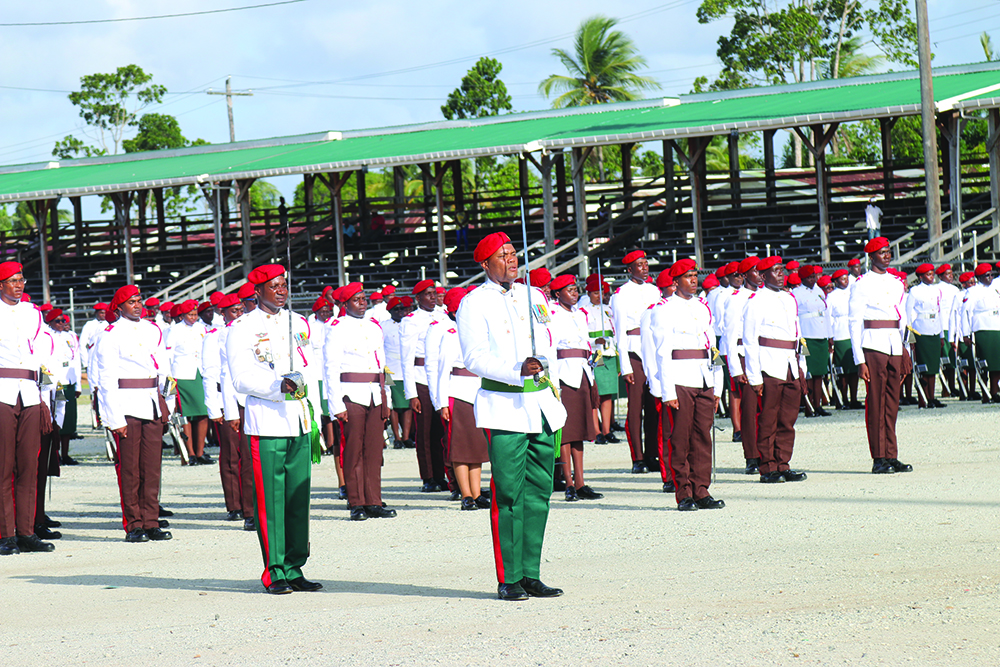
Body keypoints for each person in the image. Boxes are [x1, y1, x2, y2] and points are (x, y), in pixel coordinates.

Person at [457, 231, 567, 601]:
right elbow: (473, 358)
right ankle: (510, 577)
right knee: (508, 494)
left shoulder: (534, 295)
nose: (512, 260)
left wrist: (543, 365)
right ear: (486, 264)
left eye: (514, 253)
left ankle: (532, 573)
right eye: (503, 256)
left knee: (539, 491)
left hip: (539, 405)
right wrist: (516, 368)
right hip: (505, 407)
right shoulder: (474, 303)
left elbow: (550, 340)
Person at [227, 263, 322, 594]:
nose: (282, 290)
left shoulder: (299, 322)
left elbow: (312, 370)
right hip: (267, 418)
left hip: (299, 418)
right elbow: (240, 377)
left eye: (284, 284)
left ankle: (295, 565)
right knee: (271, 498)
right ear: (258, 291)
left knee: (298, 496)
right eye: (274, 286)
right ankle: (275, 569)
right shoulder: (243, 327)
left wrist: (317, 417)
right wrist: (275, 386)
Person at [96, 284, 173, 543]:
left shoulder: (154, 330)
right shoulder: (110, 334)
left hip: (152, 401)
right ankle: (134, 524)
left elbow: (164, 369)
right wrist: (114, 418)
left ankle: (151, 521)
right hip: (126, 404)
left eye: (139, 300)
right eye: (131, 302)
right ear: (119, 307)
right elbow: (106, 380)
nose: (138, 305)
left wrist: (167, 404)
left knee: (152, 467)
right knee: (130, 469)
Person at [651, 258, 725, 510]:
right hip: (680, 378)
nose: (693, 280)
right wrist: (667, 391)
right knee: (680, 439)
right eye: (687, 276)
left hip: (704, 376)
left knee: (702, 437)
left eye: (695, 275)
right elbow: (662, 352)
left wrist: (717, 384)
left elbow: (713, 347)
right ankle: (684, 493)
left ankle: (701, 489)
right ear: (675, 282)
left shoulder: (703, 306)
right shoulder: (663, 308)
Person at [323, 282, 396, 521]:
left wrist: (388, 396)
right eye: (357, 299)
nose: (363, 303)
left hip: (375, 392)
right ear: (344, 304)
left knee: (374, 449)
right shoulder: (336, 327)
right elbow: (330, 369)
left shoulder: (374, 326)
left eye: (364, 299)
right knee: (353, 449)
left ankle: (374, 499)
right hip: (351, 394)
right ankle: (356, 501)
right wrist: (336, 404)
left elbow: (383, 364)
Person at [0, 262, 56, 556]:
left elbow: (43, 357)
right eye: (12, 280)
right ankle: (5, 534)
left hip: (31, 393)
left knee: (29, 466)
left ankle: (26, 531)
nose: (19, 285)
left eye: (21, 279)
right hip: (3, 392)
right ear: (0, 285)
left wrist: (45, 395)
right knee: (3, 466)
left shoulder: (32, 313)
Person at [848, 237, 913, 474]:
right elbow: (854, 322)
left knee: (893, 402)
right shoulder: (861, 283)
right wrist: (860, 359)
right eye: (882, 253)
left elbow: (902, 317)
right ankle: (878, 457)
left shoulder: (897, 282)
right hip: (873, 344)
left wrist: (904, 346)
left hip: (894, 343)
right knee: (876, 402)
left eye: (888, 252)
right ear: (871, 256)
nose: (887, 256)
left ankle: (891, 454)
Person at [742, 256, 809, 484]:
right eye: (775, 270)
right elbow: (750, 340)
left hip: (790, 363)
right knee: (768, 419)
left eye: (781, 269)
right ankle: (767, 467)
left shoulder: (790, 298)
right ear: (762, 276)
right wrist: (754, 376)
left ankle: (783, 463)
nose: (781, 274)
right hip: (769, 364)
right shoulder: (756, 300)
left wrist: (801, 368)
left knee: (787, 419)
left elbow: (797, 336)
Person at [434, 287, 490, 511]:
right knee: (460, 447)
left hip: (478, 392)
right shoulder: (450, 334)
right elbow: (442, 371)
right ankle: (465, 493)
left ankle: (476, 492)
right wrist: (442, 403)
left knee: (476, 447)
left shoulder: (479, 332)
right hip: (457, 393)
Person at [548, 274, 602, 502]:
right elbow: (550, 348)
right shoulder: (552, 314)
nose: (575, 293)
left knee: (580, 431)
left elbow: (585, 343)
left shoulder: (581, 315)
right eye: (569, 290)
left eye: (575, 289)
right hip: (563, 373)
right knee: (566, 433)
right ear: (557, 293)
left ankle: (580, 482)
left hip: (582, 371)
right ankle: (568, 482)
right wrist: (553, 382)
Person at [610, 249, 661, 474]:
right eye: (639, 265)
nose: (645, 268)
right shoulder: (621, 294)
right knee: (635, 407)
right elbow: (620, 332)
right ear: (630, 269)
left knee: (653, 405)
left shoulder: (654, 290)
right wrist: (626, 366)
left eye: (645, 263)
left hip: (653, 351)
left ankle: (652, 454)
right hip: (634, 350)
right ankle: (637, 458)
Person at [401, 279, 448, 492]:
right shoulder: (411, 320)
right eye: (427, 294)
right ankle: (429, 477)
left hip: (441, 377)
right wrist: (412, 393)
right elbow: (407, 359)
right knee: (426, 432)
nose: (432, 297)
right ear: (417, 298)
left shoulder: (443, 316)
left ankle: (443, 475)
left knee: (441, 431)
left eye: (433, 293)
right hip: (421, 378)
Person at [725, 257, 763, 474]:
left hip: (766, 354)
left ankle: (768, 453)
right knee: (749, 409)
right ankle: (751, 456)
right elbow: (730, 337)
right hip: (744, 355)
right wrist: (736, 369)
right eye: (755, 272)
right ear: (745, 275)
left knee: (767, 408)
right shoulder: (736, 299)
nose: (759, 275)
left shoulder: (765, 296)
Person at [167, 299, 213, 465]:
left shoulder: (202, 328)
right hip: (182, 375)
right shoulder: (175, 330)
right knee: (185, 414)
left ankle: (200, 451)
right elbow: (169, 355)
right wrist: (170, 378)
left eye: (195, 314)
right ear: (182, 315)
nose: (193, 317)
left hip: (200, 372)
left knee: (203, 412)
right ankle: (189, 453)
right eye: (190, 314)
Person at [578, 274, 619, 445]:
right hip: (596, 353)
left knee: (608, 394)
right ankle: (596, 431)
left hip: (608, 352)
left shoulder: (608, 310)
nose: (599, 296)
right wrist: (595, 342)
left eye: (601, 292)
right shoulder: (583, 311)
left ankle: (607, 429)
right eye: (595, 293)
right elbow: (582, 334)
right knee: (595, 394)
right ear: (589, 294)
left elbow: (615, 330)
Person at [792, 265, 832, 417]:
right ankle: (808, 406)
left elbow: (825, 314)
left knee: (820, 373)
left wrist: (830, 336)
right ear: (802, 279)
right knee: (808, 373)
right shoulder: (797, 293)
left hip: (821, 334)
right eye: (809, 277)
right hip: (807, 335)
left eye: (814, 277)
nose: (812, 280)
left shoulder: (819, 291)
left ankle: (818, 404)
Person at [906, 263, 946, 408]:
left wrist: (941, 335)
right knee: (923, 366)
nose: (931, 277)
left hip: (934, 329)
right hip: (920, 330)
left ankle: (932, 396)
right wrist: (911, 337)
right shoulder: (915, 291)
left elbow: (940, 312)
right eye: (928, 274)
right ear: (921, 276)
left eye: (932, 274)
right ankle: (923, 398)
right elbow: (909, 315)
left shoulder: (936, 290)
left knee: (933, 367)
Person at [960, 263, 1000, 402]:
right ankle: (985, 394)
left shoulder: (995, 289)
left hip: (996, 327)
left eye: (991, 275)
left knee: (997, 364)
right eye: (986, 275)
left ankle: (994, 393)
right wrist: (965, 333)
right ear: (979, 277)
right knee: (984, 364)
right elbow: (965, 313)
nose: (990, 278)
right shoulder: (973, 292)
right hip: (983, 329)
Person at [828, 269, 861, 409]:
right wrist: (830, 336)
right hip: (839, 334)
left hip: (852, 333)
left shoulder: (852, 293)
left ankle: (854, 399)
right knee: (842, 371)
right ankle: (843, 399)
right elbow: (828, 317)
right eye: (842, 279)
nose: (846, 281)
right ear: (835, 281)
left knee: (854, 370)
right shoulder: (831, 296)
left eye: (846, 278)